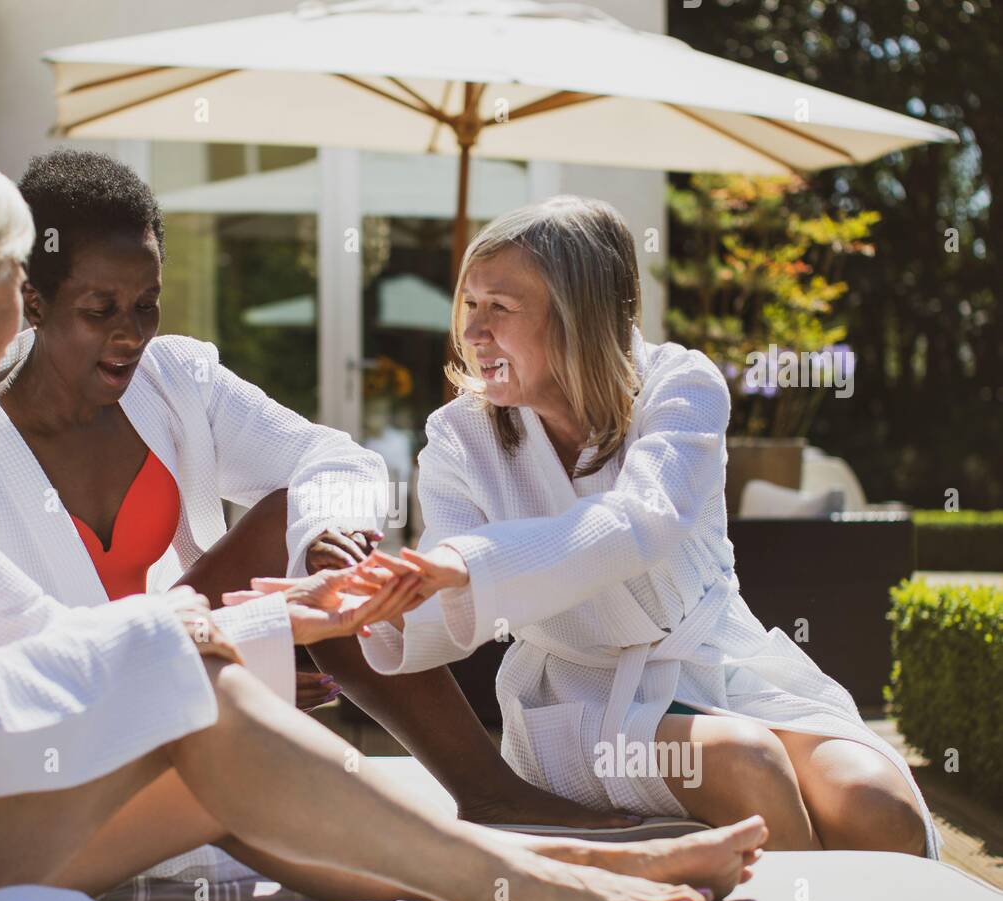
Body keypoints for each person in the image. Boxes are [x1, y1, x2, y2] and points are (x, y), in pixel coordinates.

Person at [0, 141, 765, 901]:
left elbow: (34, 632)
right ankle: (529, 883)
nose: (22, 314)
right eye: (29, 283)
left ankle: (548, 866)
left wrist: (283, 617)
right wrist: (185, 644)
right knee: (192, 695)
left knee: (199, 702)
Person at [0, 148, 645, 832]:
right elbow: (14, 659)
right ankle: (487, 804)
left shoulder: (176, 382)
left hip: (200, 680)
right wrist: (242, 645)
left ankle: (488, 791)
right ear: (33, 300)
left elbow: (338, 460)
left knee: (315, 528)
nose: (130, 335)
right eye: (99, 309)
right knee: (297, 554)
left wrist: (305, 570)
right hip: (79, 729)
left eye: (145, 304)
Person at [344, 195, 937, 858]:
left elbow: (642, 521)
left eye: (501, 309)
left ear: (579, 316)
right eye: (470, 306)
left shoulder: (679, 386)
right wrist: (379, 604)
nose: (475, 334)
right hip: (578, 703)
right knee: (748, 764)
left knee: (878, 807)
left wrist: (465, 564)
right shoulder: (460, 437)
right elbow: (450, 616)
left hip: (722, 665)